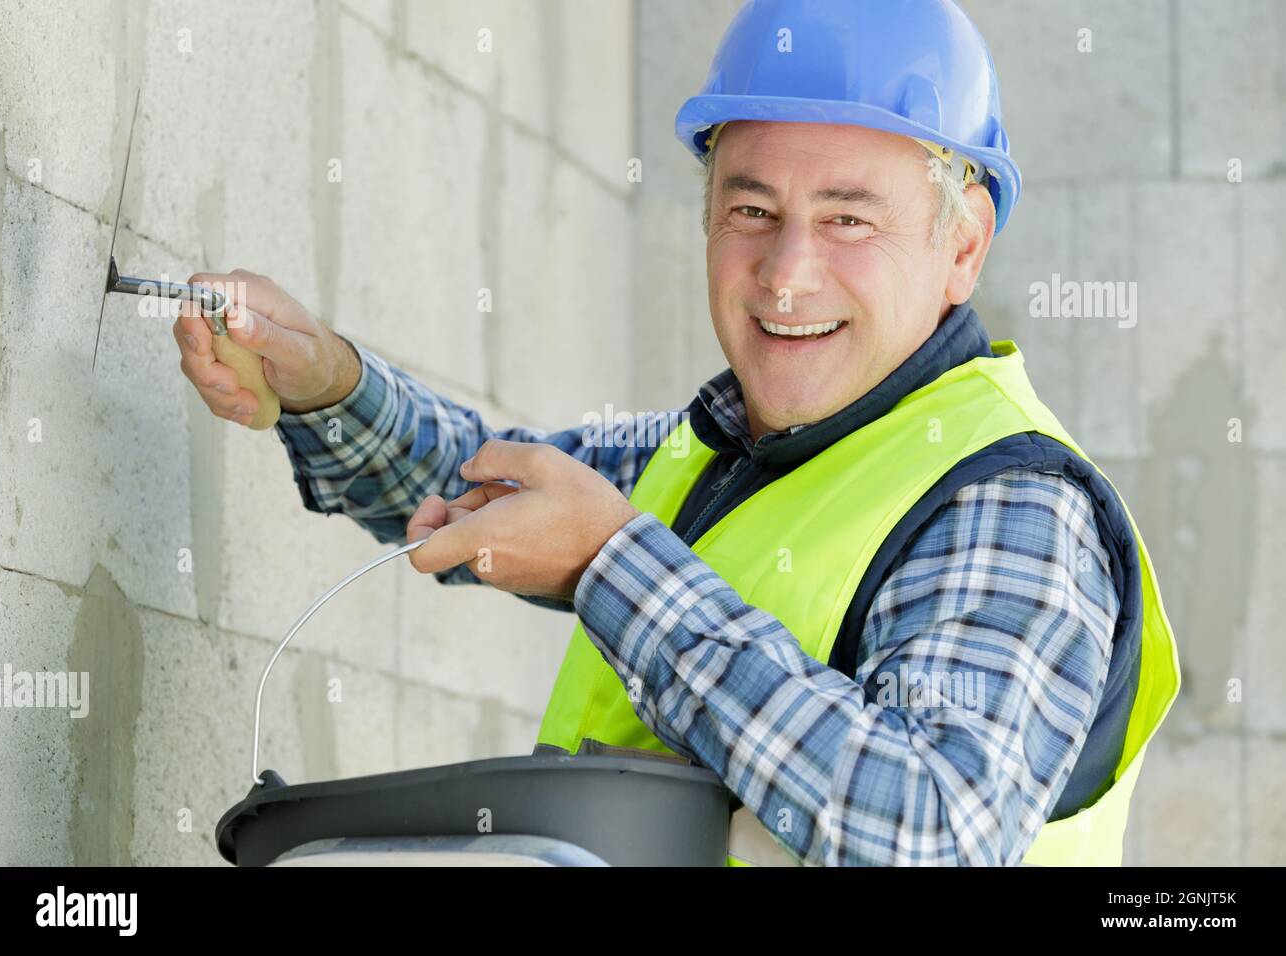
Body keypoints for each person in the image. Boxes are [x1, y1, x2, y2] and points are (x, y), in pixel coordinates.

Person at [174, 0, 1179, 866]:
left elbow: (930, 828)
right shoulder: (719, 452)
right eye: (751, 208)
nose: (785, 274)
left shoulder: (1011, 502)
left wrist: (611, 563)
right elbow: (472, 488)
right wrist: (323, 380)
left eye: (847, 220)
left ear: (961, 244)